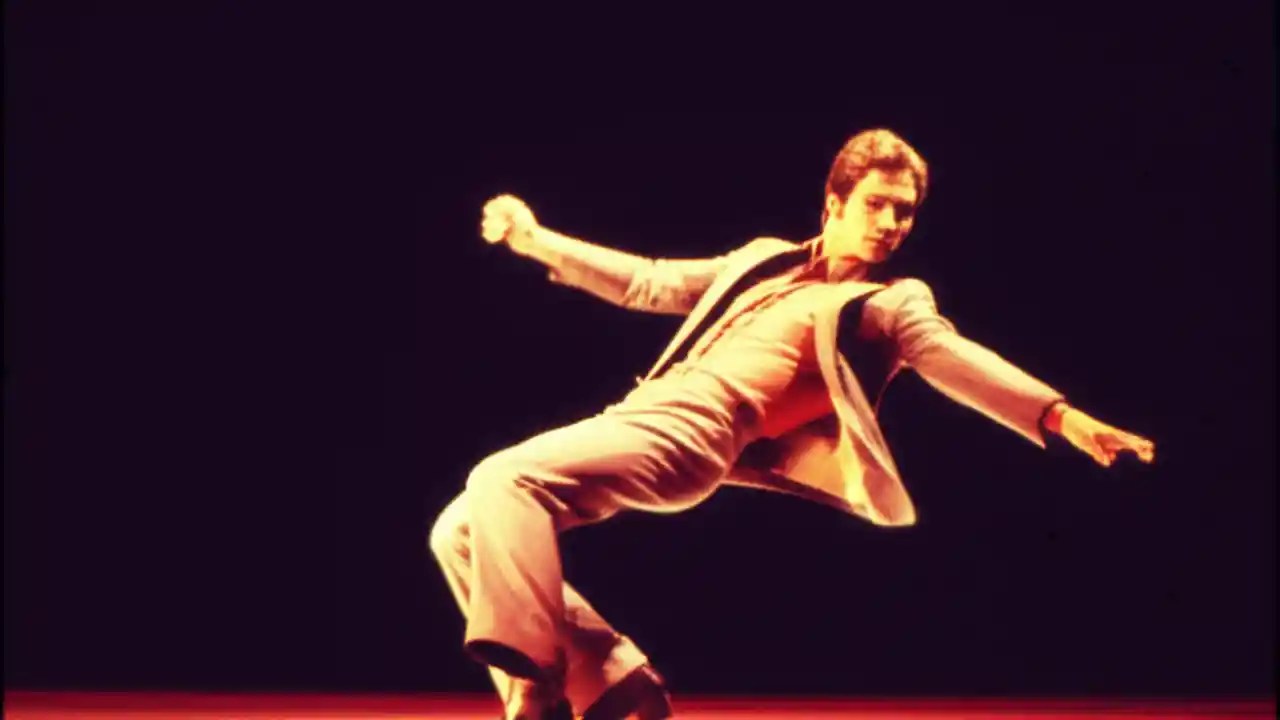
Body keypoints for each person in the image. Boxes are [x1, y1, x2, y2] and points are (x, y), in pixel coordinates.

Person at [428, 128, 1156, 720]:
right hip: (638, 415)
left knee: (503, 475)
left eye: (904, 212)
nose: (891, 224)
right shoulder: (762, 259)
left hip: (699, 435)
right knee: (461, 528)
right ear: (834, 203)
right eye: (876, 204)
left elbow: (950, 356)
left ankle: (539, 686)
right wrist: (535, 240)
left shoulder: (889, 304)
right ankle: (619, 685)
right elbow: (648, 281)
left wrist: (1061, 416)